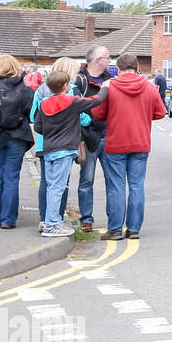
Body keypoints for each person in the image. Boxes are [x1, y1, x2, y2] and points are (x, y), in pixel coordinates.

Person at [90, 53, 166, 240]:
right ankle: (133, 229)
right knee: (137, 186)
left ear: (118, 68)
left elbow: (97, 113)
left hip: (116, 142)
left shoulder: (110, 87)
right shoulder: (149, 87)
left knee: (116, 186)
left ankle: (115, 229)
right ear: (137, 66)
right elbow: (160, 112)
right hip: (140, 142)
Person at [33, 70, 106, 237]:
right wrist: (106, 87)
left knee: (52, 187)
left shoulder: (44, 103)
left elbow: (38, 127)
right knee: (58, 188)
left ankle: (53, 222)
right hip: (64, 151)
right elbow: (97, 100)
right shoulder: (72, 101)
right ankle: (52, 225)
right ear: (66, 86)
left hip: (49, 150)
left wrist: (52, 131)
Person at [30, 56, 87, 231]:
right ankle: (56, 220)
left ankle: (44, 219)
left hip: (43, 143)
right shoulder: (72, 91)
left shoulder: (40, 90)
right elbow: (83, 119)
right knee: (61, 184)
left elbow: (33, 116)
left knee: (46, 182)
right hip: (64, 143)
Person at [0, 55, 36, 229]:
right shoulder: (26, 90)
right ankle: (8, 219)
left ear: (2, 68)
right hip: (18, 137)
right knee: (11, 177)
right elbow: (31, 114)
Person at [76, 46, 113, 231]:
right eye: (108, 57)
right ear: (98, 59)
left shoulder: (111, 81)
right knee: (86, 180)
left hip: (108, 137)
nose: (110, 61)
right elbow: (75, 108)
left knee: (112, 180)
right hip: (88, 137)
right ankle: (86, 219)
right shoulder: (80, 80)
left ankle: (113, 219)